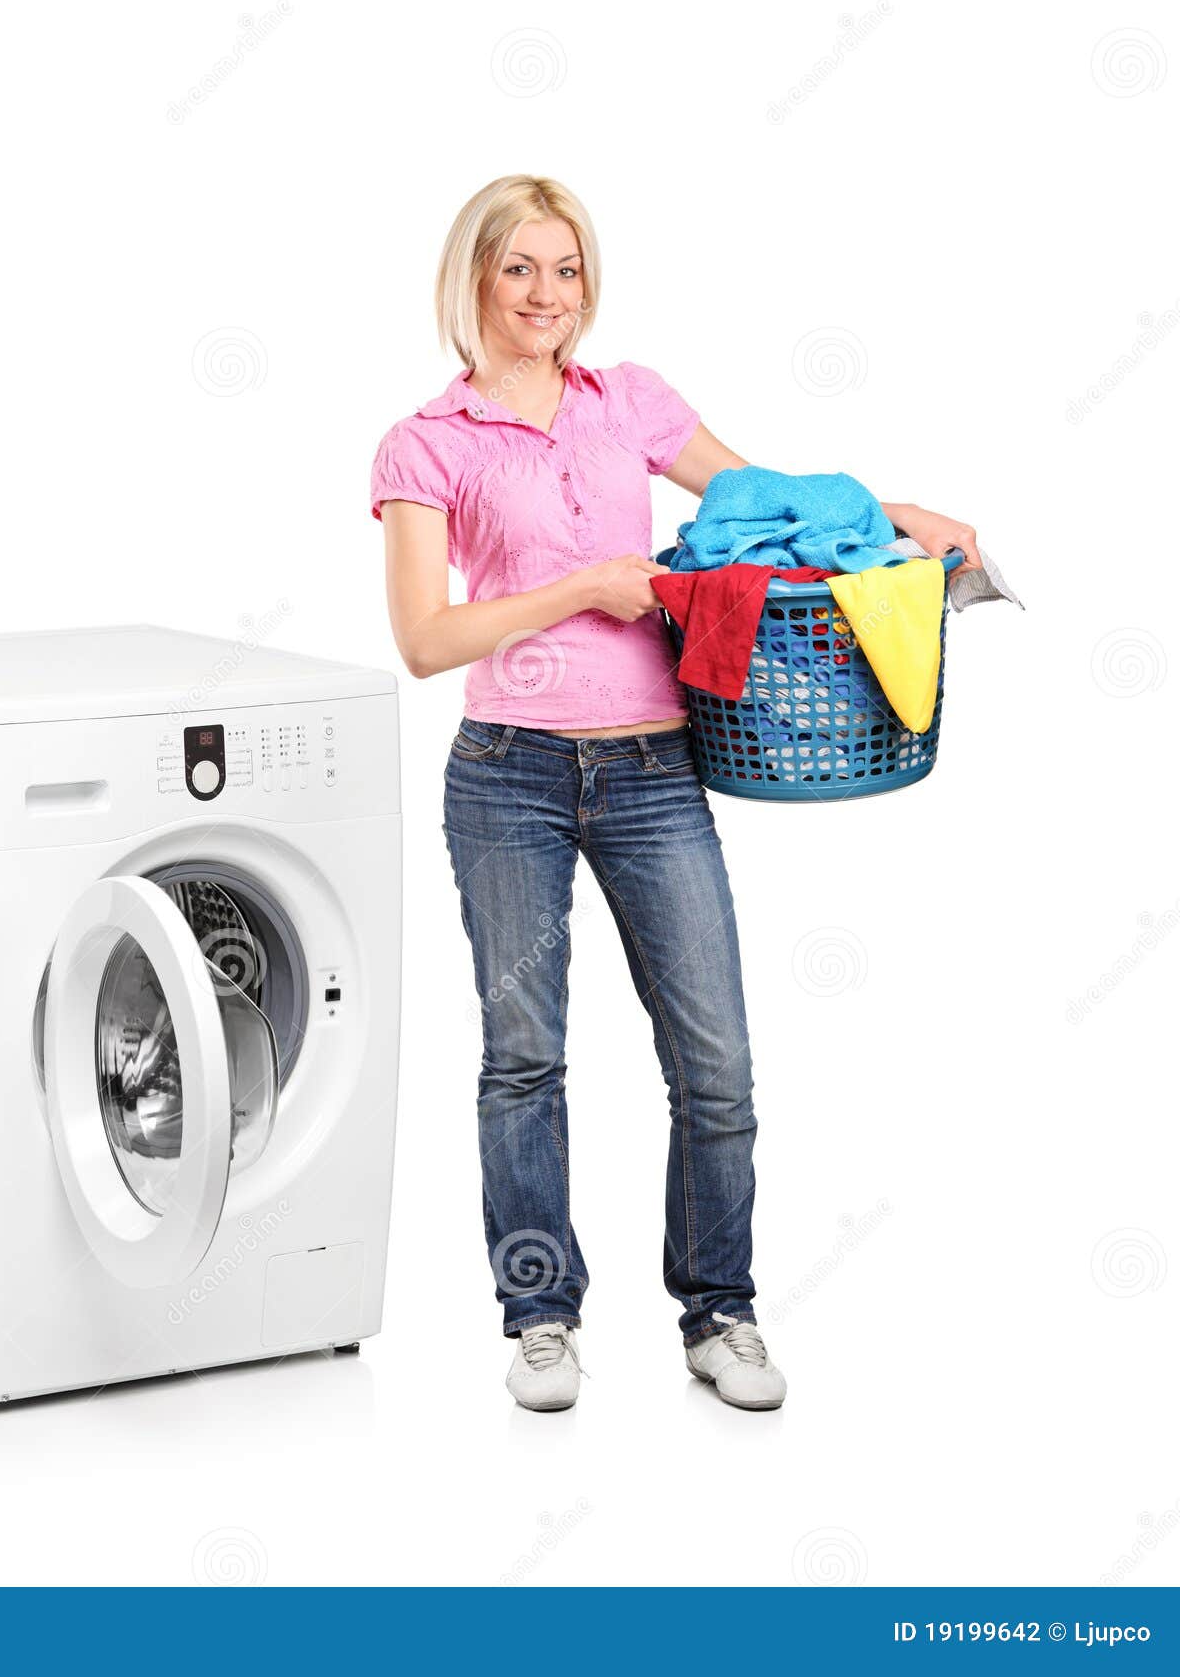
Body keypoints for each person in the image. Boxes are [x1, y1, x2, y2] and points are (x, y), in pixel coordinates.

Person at [370, 174, 981, 1413]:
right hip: (510, 777)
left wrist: (891, 511)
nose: (548, 296)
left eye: (568, 269)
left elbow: (766, 510)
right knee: (523, 1060)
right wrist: (584, 588)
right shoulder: (423, 443)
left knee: (715, 1063)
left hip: (655, 768)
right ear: (473, 281)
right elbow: (427, 640)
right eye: (521, 270)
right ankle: (540, 1318)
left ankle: (720, 1313)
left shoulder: (629, 402)